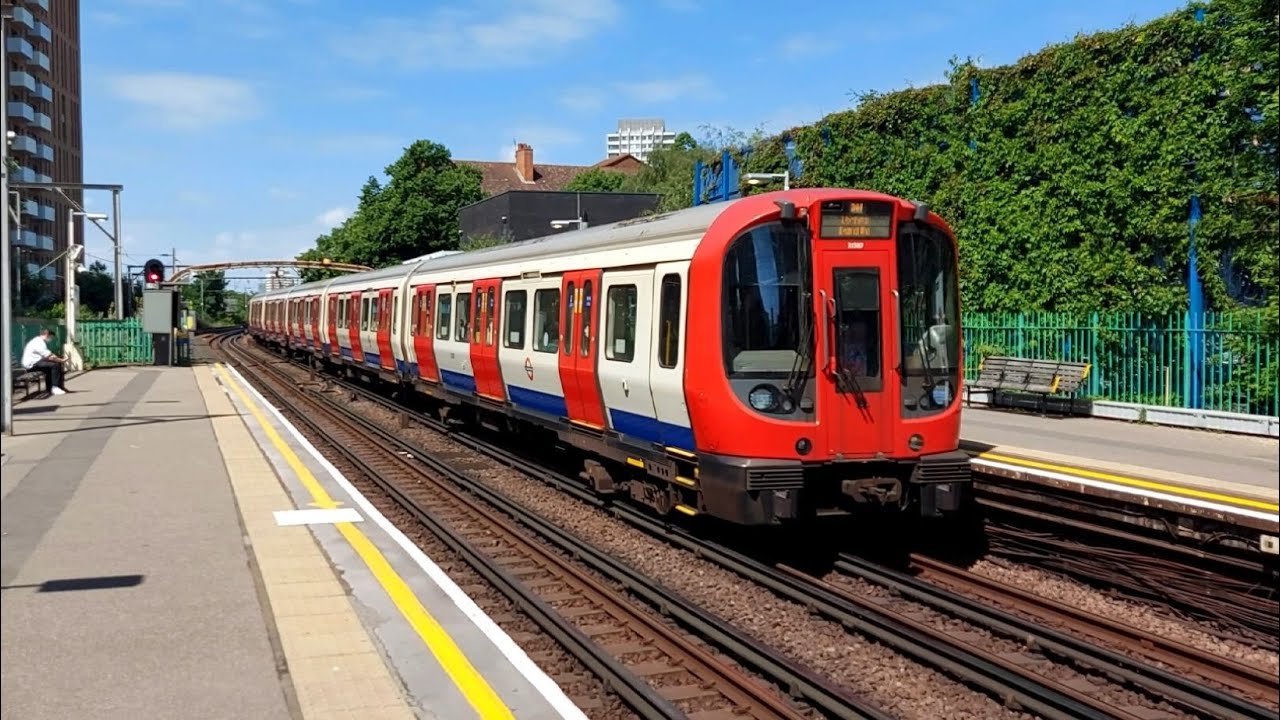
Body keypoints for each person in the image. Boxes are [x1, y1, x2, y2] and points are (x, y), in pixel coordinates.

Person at [21, 329, 70, 396]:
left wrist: (58, 358)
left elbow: (49, 354)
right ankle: (55, 387)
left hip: (36, 362)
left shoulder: (39, 341)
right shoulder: (38, 342)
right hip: (31, 365)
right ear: (47, 335)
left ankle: (56, 387)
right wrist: (61, 360)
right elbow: (49, 356)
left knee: (54, 365)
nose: (51, 339)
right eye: (51, 337)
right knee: (55, 366)